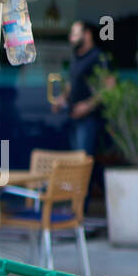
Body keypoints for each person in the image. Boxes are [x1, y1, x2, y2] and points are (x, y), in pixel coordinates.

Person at [52, 20, 110, 202]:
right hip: (75, 119)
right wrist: (62, 99)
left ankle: (80, 214)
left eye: (75, 33)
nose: (71, 37)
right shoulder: (77, 57)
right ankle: (77, 211)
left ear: (87, 35)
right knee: (78, 164)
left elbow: (108, 87)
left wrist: (87, 106)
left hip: (90, 120)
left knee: (83, 166)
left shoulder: (98, 57)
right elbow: (72, 84)